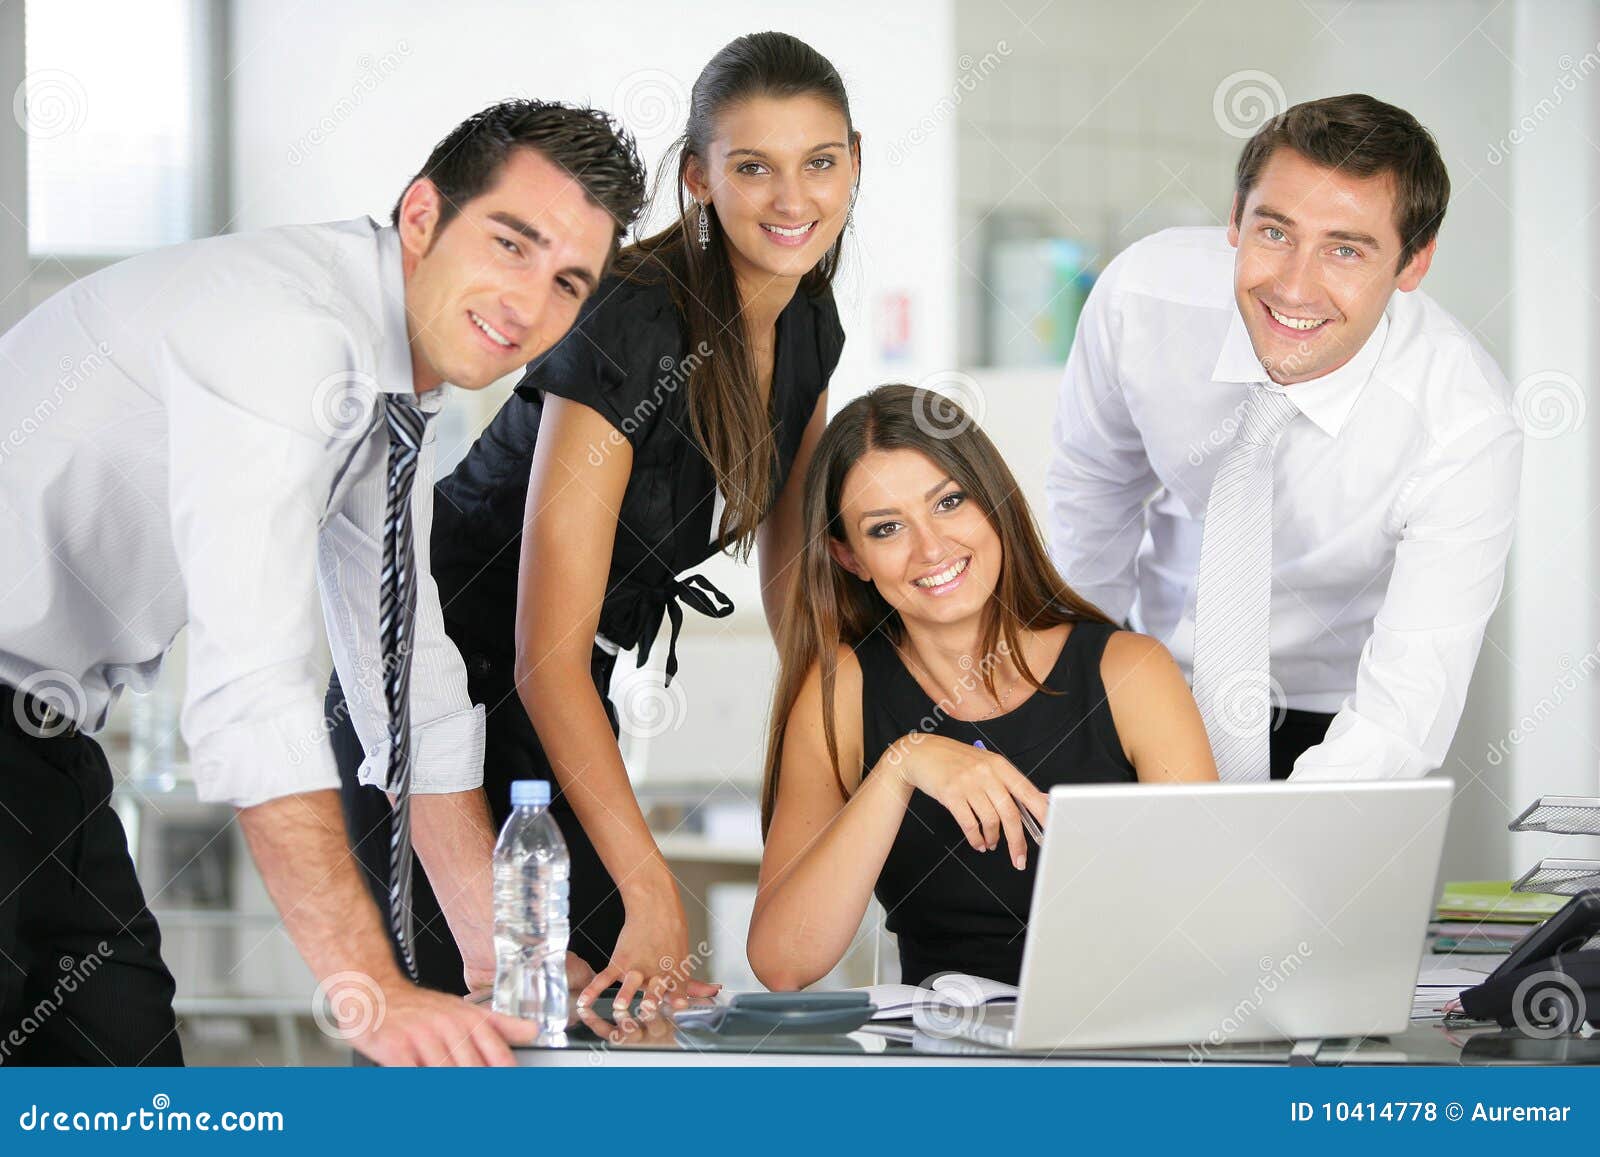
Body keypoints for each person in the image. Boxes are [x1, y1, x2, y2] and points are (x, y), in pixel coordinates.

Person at [0, 99, 645, 1066]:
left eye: (566, 283)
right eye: (512, 244)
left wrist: (501, 957)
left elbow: (407, 674)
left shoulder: (386, 382)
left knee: (127, 1079)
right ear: (422, 215)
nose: (527, 305)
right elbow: (251, 687)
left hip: (41, 741)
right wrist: (372, 988)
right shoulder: (287, 336)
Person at [326, 31, 856, 1014]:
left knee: (612, 1004)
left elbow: (795, 587)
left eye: (818, 162)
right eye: (753, 167)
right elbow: (541, 653)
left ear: (853, 162)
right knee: (468, 1026)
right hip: (440, 690)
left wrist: (839, 741)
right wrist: (652, 880)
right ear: (697, 178)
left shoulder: (810, 322)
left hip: (567, 697)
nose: (792, 199)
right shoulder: (633, 316)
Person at [1046, 94, 1523, 783]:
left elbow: (1404, 707)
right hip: (1150, 678)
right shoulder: (1141, 301)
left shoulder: (1463, 424)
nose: (1295, 287)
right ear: (1236, 219)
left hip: (1336, 713)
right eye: (1275, 232)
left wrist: (1275, 838)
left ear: (1413, 264)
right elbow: (1092, 494)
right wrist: (1065, 696)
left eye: (1345, 249)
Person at [749, 385, 1216, 989]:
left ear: (992, 501)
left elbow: (1211, 918)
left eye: (948, 502)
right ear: (850, 557)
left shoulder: (1131, 673)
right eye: (887, 528)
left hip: (1128, 1047)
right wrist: (901, 766)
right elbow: (784, 963)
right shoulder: (841, 689)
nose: (932, 547)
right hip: (946, 1061)